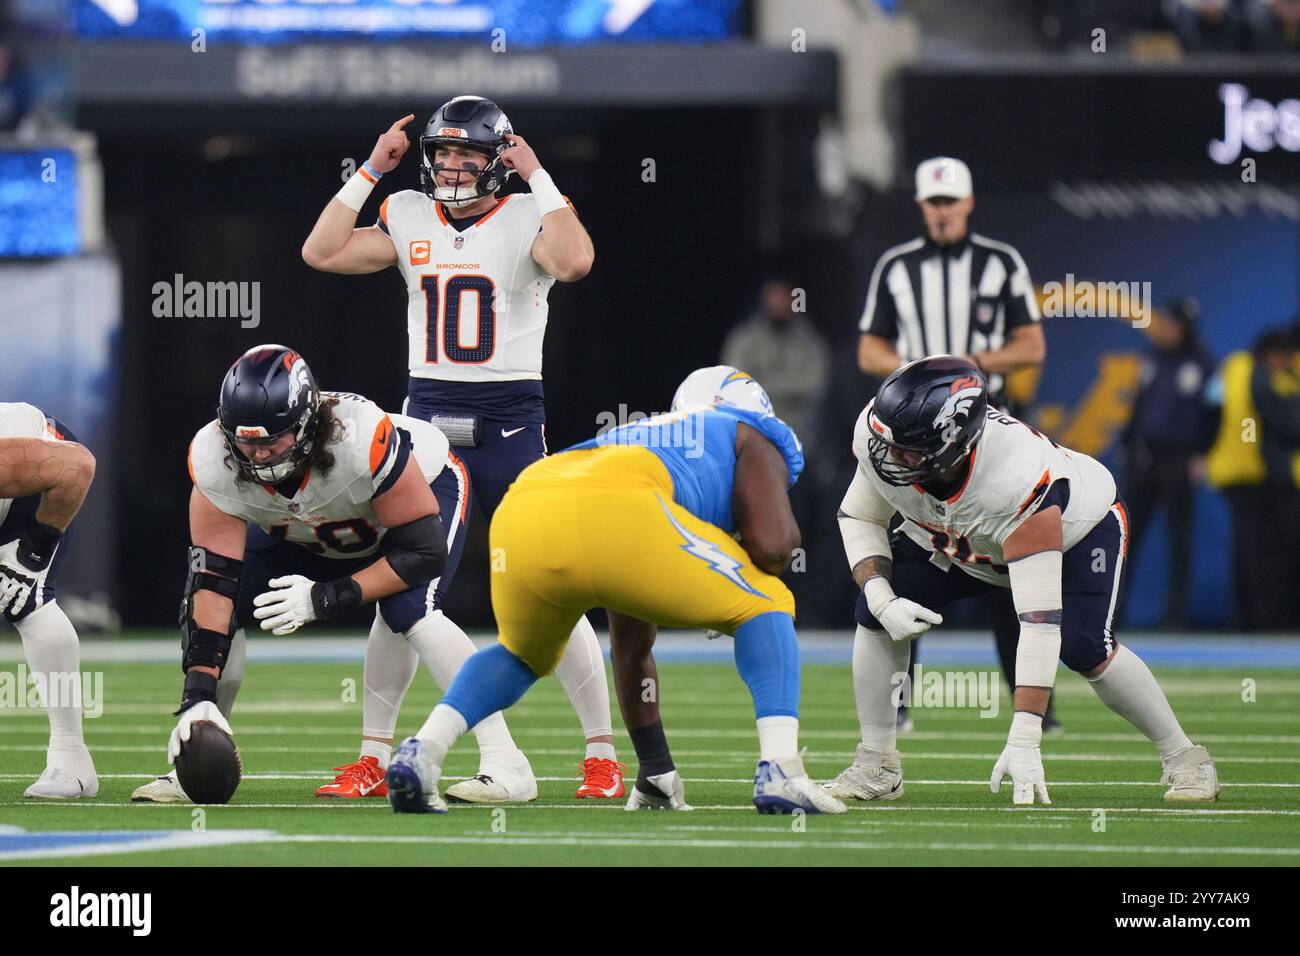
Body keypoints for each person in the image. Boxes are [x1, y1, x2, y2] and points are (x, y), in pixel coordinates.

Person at [300, 95, 623, 798]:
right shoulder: (409, 209)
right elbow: (321, 251)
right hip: (423, 424)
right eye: (441, 152)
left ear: (498, 162)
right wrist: (369, 173)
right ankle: (373, 755)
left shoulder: (527, 213)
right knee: (401, 591)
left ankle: (601, 752)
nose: (450, 165)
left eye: (466, 154)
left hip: (508, 425)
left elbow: (575, 263)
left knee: (551, 587)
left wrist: (541, 179)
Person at [384, 367, 846, 816]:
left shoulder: (645, 438)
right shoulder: (747, 431)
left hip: (528, 500)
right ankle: (781, 769)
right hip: (620, 507)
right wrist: (734, 583)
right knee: (768, 601)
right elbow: (775, 545)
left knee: (522, 655)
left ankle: (422, 752)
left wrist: (654, 767)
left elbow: (631, 645)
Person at [136, 345, 541, 805]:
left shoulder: (359, 439)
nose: (259, 455)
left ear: (308, 424)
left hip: (411, 504)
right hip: (317, 526)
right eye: (247, 442)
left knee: (409, 608)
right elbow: (212, 583)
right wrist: (197, 696)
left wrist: (325, 598)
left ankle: (506, 761)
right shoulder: (215, 460)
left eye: (273, 439)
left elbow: (424, 554)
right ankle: (196, 747)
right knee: (223, 598)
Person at [825, 356, 1220, 804]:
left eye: (908, 450)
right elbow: (858, 514)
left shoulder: (1018, 479)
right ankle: (876, 765)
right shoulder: (884, 433)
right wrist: (879, 598)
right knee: (874, 613)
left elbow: (1038, 624)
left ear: (953, 446)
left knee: (1085, 646)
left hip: (1076, 530)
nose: (890, 456)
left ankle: (1186, 758)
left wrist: (1025, 737)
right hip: (963, 533)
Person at [856, 156, 1053, 731]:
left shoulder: (1000, 263)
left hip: (989, 438)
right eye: (932, 203)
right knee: (906, 560)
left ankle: (1034, 706)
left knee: (1010, 566)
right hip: (916, 448)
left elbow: (1032, 346)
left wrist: (965, 372)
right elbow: (869, 351)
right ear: (921, 206)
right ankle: (897, 703)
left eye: (950, 202)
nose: (941, 211)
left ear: (967, 203)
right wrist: (921, 380)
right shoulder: (896, 267)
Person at [0, 403, 98, 798]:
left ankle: (71, 758)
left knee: (25, 601)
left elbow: (77, 467)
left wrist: (33, 555)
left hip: (46, 470)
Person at [1118, 297, 1217, 629]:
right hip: (1143, 458)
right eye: (1163, 322)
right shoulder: (1152, 358)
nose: (1165, 329)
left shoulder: (1205, 365)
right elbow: (1139, 405)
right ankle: (1111, 614)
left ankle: (1175, 616)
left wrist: (1201, 454)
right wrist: (1127, 443)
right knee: (1125, 536)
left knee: (1180, 540)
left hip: (1179, 461)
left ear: (1186, 328)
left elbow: (1215, 415)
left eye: (1171, 324)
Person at [1205, 326, 1300, 630]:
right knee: (1264, 555)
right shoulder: (1260, 377)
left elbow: (1209, 408)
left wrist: (1205, 453)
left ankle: (1247, 622)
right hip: (1254, 475)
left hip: (1228, 472)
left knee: (1246, 552)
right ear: (1273, 355)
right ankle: (1266, 622)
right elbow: (1279, 421)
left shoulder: (1231, 368)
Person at [720, 277, 830, 452]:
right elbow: (733, 385)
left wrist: (762, 383)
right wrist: (787, 386)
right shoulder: (744, 339)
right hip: (754, 434)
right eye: (773, 296)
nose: (778, 303)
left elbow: (813, 385)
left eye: (783, 296)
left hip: (798, 437)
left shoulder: (809, 342)